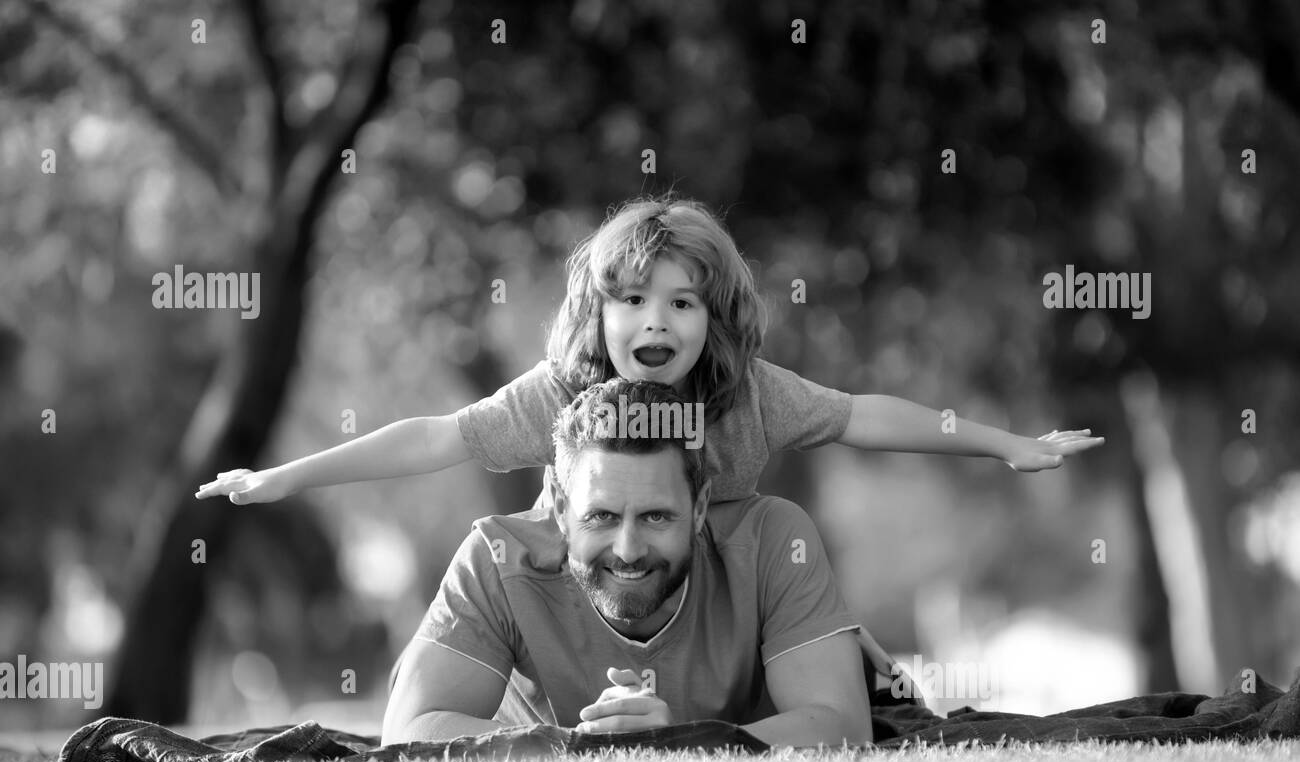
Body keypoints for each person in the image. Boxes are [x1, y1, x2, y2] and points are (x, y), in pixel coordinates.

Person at [194, 195, 1102, 509]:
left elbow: (866, 417)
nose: (653, 321)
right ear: (600, 314)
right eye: (631, 301)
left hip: (705, 617)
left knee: (772, 535)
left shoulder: (748, 395)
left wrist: (1002, 441)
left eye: (680, 302)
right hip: (589, 619)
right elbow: (434, 436)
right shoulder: (562, 395)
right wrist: (283, 477)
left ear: (714, 318)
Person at [382, 378, 888, 748]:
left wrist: (679, 742)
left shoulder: (774, 539)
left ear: (700, 508)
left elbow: (843, 727)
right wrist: (580, 747)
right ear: (560, 507)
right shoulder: (497, 557)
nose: (627, 549)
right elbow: (410, 731)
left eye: (655, 516)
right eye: (600, 515)